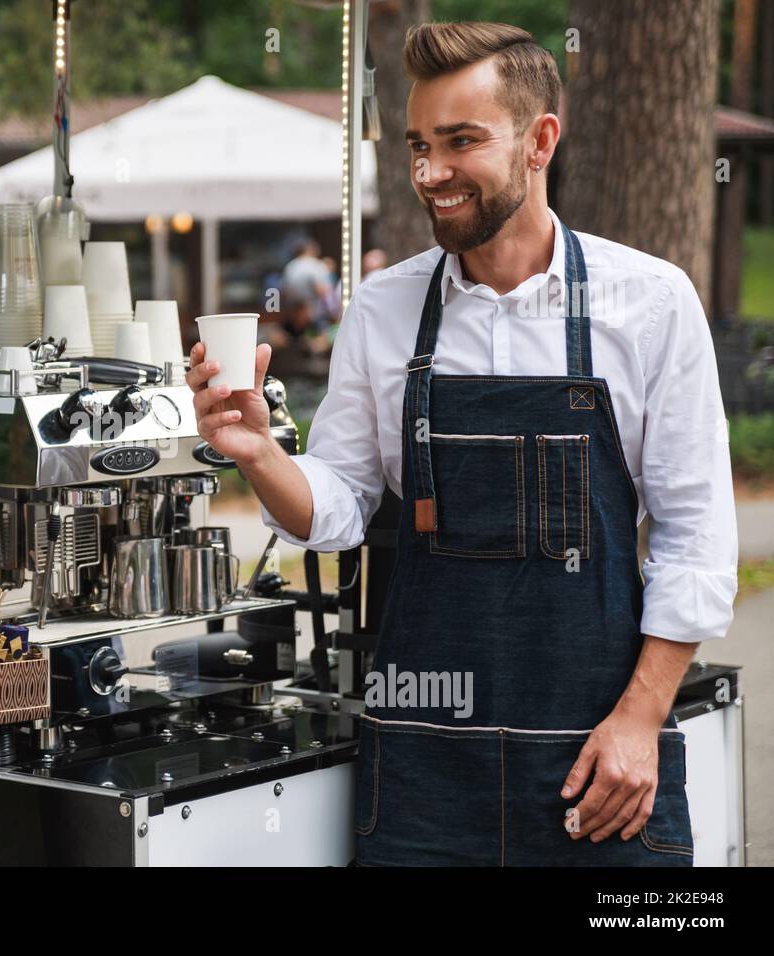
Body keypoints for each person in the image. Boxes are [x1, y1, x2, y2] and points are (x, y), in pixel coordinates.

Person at [186, 22, 736, 866]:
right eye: (417, 146)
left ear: (540, 140)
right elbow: (335, 509)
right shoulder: (383, 308)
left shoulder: (652, 303)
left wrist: (639, 720)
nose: (429, 174)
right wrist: (260, 454)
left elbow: (697, 538)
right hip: (423, 764)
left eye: (461, 142)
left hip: (601, 760)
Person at [281, 238, 333, 336]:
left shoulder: (290, 266)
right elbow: (322, 290)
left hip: (293, 312)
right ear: (310, 250)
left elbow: (283, 292)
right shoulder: (315, 265)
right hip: (311, 313)